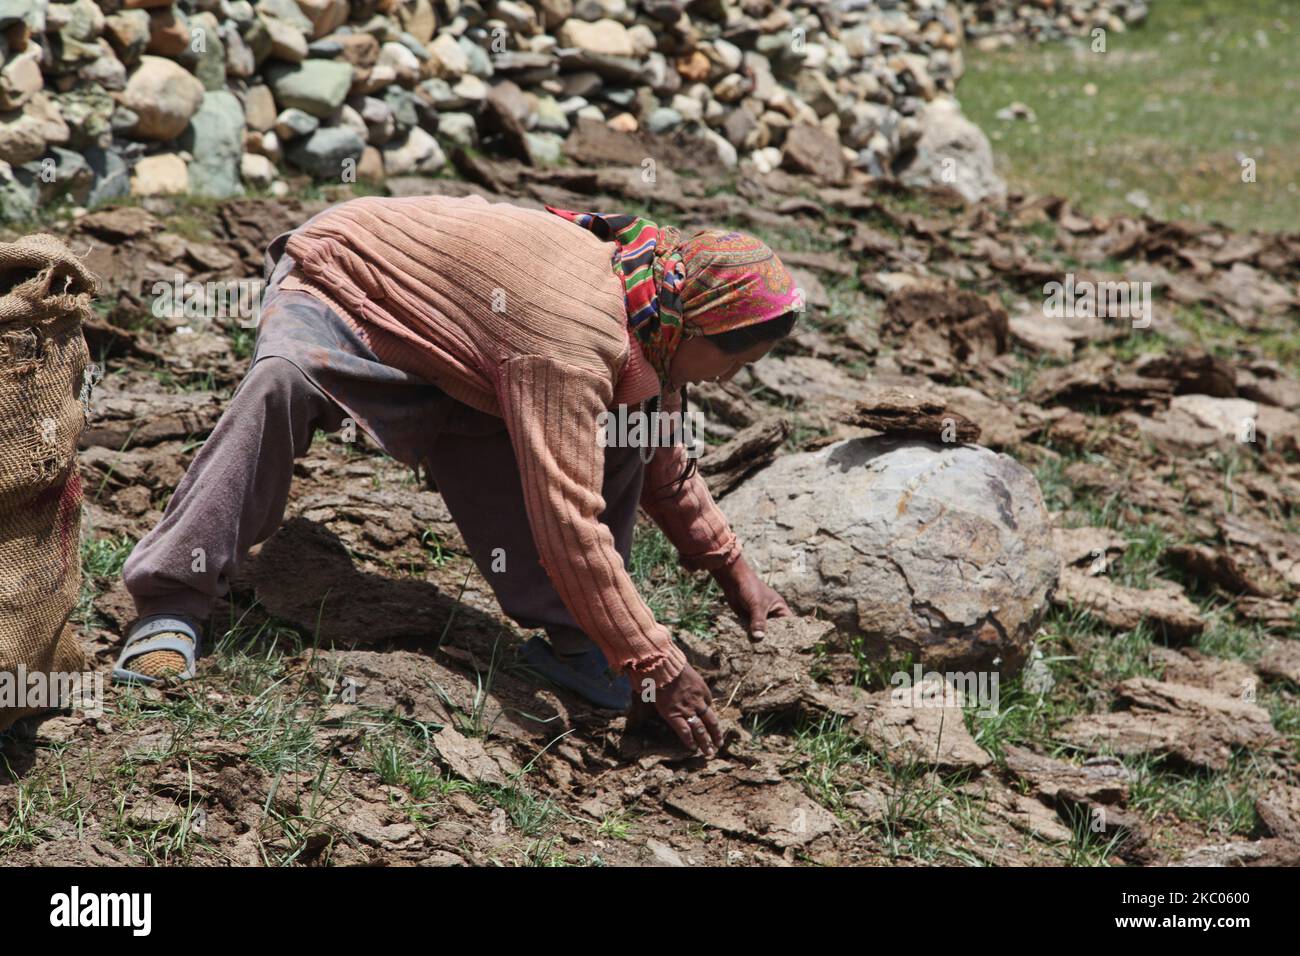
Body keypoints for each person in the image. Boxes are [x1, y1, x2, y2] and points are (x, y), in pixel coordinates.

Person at [116, 193, 799, 757]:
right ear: (696, 323)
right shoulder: (572, 337)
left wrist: (731, 566)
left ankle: (583, 637)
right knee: (283, 383)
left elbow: (661, 453)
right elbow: (568, 522)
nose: (731, 380)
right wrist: (656, 661)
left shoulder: (654, 318)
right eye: (733, 364)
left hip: (467, 344)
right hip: (349, 284)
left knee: (625, 428)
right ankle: (174, 599)